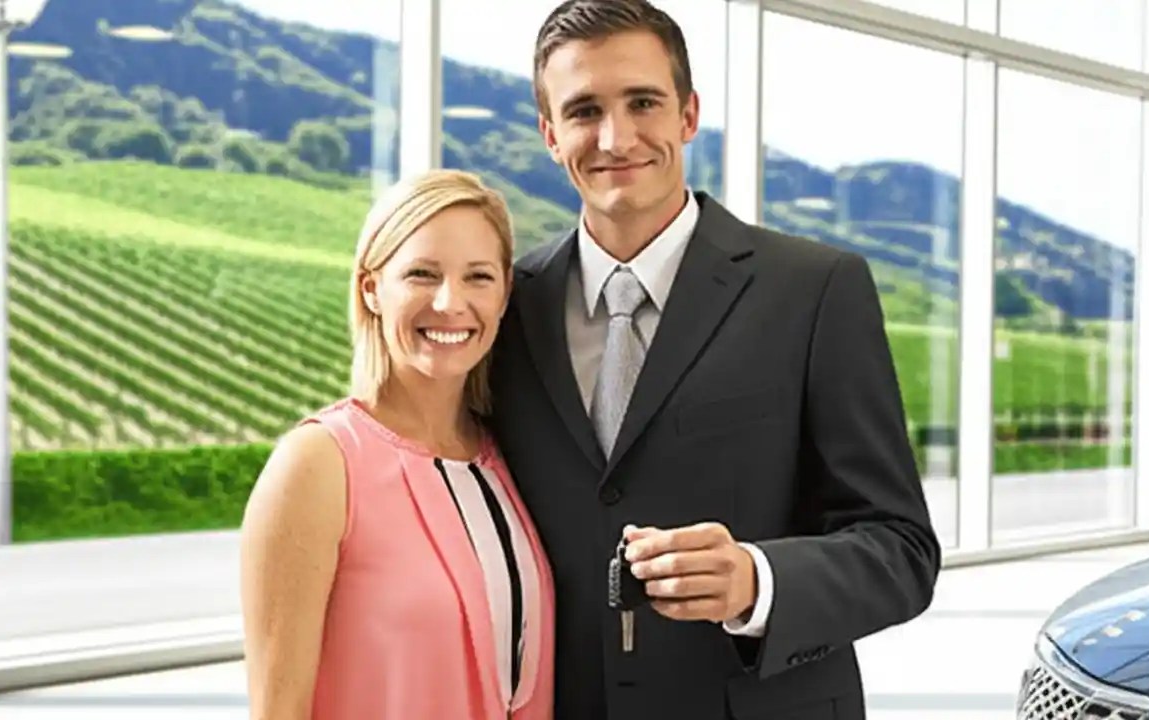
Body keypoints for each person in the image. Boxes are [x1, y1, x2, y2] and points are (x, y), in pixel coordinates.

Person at [487, 1, 941, 718]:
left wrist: (757, 581)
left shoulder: (817, 289)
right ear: (549, 135)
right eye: (583, 111)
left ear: (688, 115)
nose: (616, 136)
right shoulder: (506, 309)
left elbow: (902, 550)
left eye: (643, 102)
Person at [239, 169, 555, 720]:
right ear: (372, 290)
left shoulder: (507, 460)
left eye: (477, 277)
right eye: (422, 274)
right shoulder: (319, 464)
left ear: (505, 292)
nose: (450, 302)